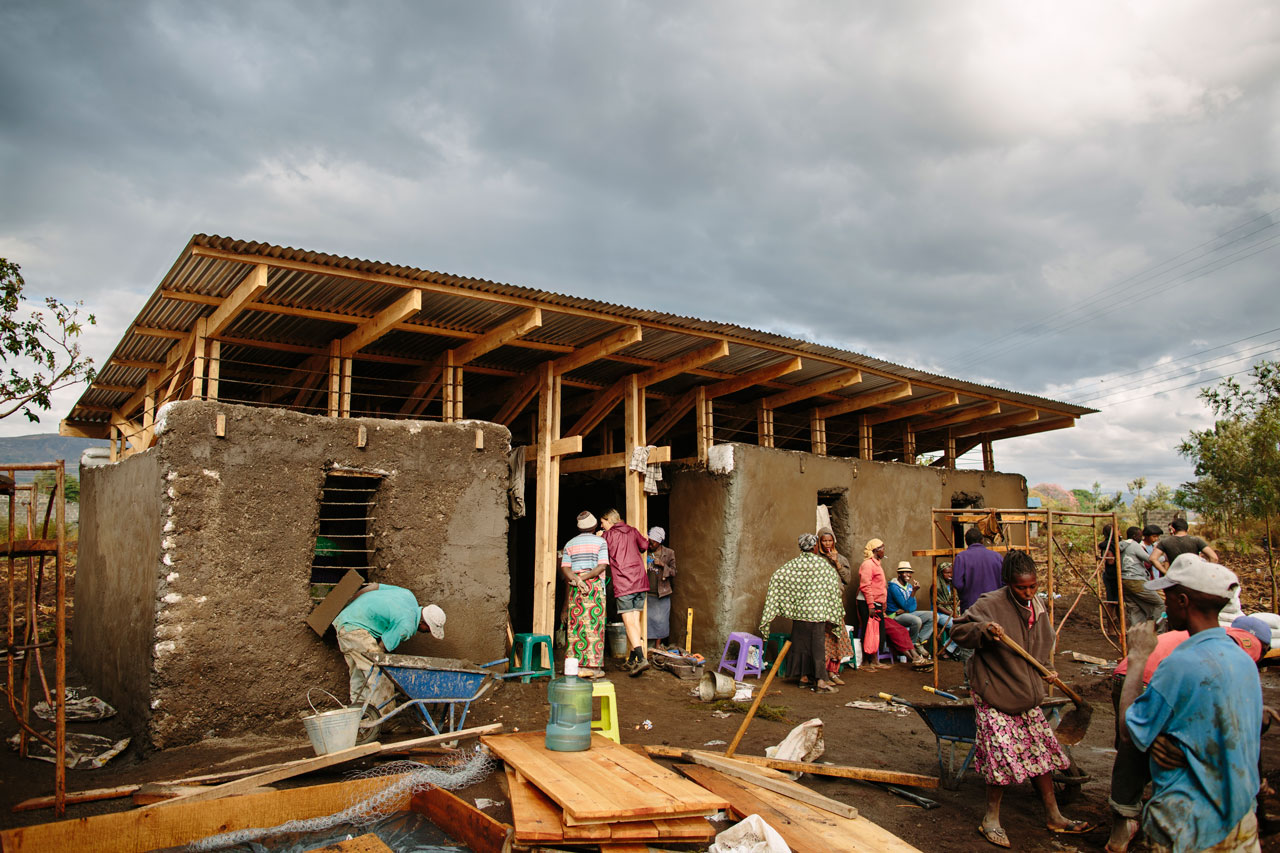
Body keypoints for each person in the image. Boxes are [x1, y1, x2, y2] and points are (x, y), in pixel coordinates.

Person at [1115, 554, 1262, 853]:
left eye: (1167, 595)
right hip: (1240, 819)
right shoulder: (1242, 660)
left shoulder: (1180, 665)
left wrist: (1138, 657)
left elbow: (1128, 734)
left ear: (1182, 600)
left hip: (1189, 824)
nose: (1163, 602)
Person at [952, 550, 1093, 848]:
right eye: (1021, 588)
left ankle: (1054, 815)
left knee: (1041, 753)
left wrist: (1047, 670)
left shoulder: (1037, 605)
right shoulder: (990, 603)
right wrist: (984, 629)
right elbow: (958, 630)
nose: (1028, 593)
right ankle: (991, 818)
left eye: (1032, 586)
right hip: (995, 692)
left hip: (1027, 694)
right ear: (1008, 583)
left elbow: (1043, 642)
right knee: (1001, 757)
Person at [333, 583, 446, 713]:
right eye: (429, 629)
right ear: (423, 623)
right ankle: (382, 719)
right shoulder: (406, 626)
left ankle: (358, 717)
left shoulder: (408, 595)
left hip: (344, 621)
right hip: (357, 630)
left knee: (359, 676)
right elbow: (382, 647)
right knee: (380, 674)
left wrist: (353, 602)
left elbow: (373, 587)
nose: (428, 632)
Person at [758, 533, 846, 694]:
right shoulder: (823, 566)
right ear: (814, 547)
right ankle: (820, 680)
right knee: (817, 646)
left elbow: (777, 577)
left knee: (800, 644)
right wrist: (832, 609)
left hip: (800, 614)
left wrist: (790, 603)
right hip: (817, 613)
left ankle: (803, 678)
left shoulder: (792, 565)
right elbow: (833, 587)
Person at [600, 509, 652, 675]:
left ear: (609, 521)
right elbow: (645, 545)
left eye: (603, 523)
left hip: (624, 584)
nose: (602, 526)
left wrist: (600, 535)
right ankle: (631, 661)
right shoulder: (632, 530)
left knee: (629, 624)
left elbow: (600, 552)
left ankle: (641, 659)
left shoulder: (607, 536)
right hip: (640, 582)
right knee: (635, 623)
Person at [560, 511, 609, 678]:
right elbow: (601, 566)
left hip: (575, 588)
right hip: (593, 587)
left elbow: (565, 568)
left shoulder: (570, 544)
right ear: (594, 526)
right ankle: (594, 668)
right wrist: (584, 578)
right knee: (594, 626)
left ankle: (576, 667)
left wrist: (577, 579)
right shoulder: (601, 542)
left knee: (577, 626)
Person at [817, 527, 855, 683]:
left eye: (830, 540)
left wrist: (836, 562)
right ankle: (823, 673)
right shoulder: (816, 558)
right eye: (824, 540)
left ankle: (833, 672)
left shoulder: (841, 558)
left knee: (836, 637)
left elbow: (847, 579)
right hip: (820, 604)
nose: (827, 543)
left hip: (837, 605)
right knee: (823, 639)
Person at [886, 561, 936, 654]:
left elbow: (913, 607)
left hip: (906, 613)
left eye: (909, 573)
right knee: (916, 621)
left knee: (933, 615)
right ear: (899, 574)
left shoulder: (908, 586)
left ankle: (919, 642)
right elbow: (905, 605)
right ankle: (912, 645)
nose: (908, 575)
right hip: (894, 616)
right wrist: (913, 592)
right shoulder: (894, 587)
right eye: (905, 572)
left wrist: (905, 610)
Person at [1118, 526, 1164, 626]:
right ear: (1134, 536)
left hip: (1124, 580)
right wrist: (1164, 558)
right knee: (1160, 604)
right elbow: (1150, 559)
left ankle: (1136, 635)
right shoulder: (1135, 546)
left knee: (1135, 609)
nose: (1141, 537)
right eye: (1140, 535)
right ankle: (1158, 631)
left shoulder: (1123, 545)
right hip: (1136, 580)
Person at [953, 527, 1005, 612]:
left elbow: (957, 583)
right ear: (982, 540)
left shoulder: (961, 557)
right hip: (994, 605)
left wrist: (967, 594)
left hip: (971, 606)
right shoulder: (997, 556)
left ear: (966, 542)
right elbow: (1005, 581)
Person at [644, 526, 677, 650]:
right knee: (647, 619)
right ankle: (646, 646)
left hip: (662, 592)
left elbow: (674, 572)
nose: (650, 544)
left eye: (653, 542)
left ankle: (657, 646)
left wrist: (662, 564)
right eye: (649, 541)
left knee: (661, 621)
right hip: (647, 591)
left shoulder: (669, 553)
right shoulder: (644, 551)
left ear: (660, 541)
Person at [1149, 517, 1220, 573]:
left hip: (1175, 577)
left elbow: (1153, 558)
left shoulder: (1165, 542)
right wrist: (1207, 572)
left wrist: (1165, 572)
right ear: (1188, 529)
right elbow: (1214, 558)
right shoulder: (1196, 540)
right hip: (1194, 576)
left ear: (1173, 529)